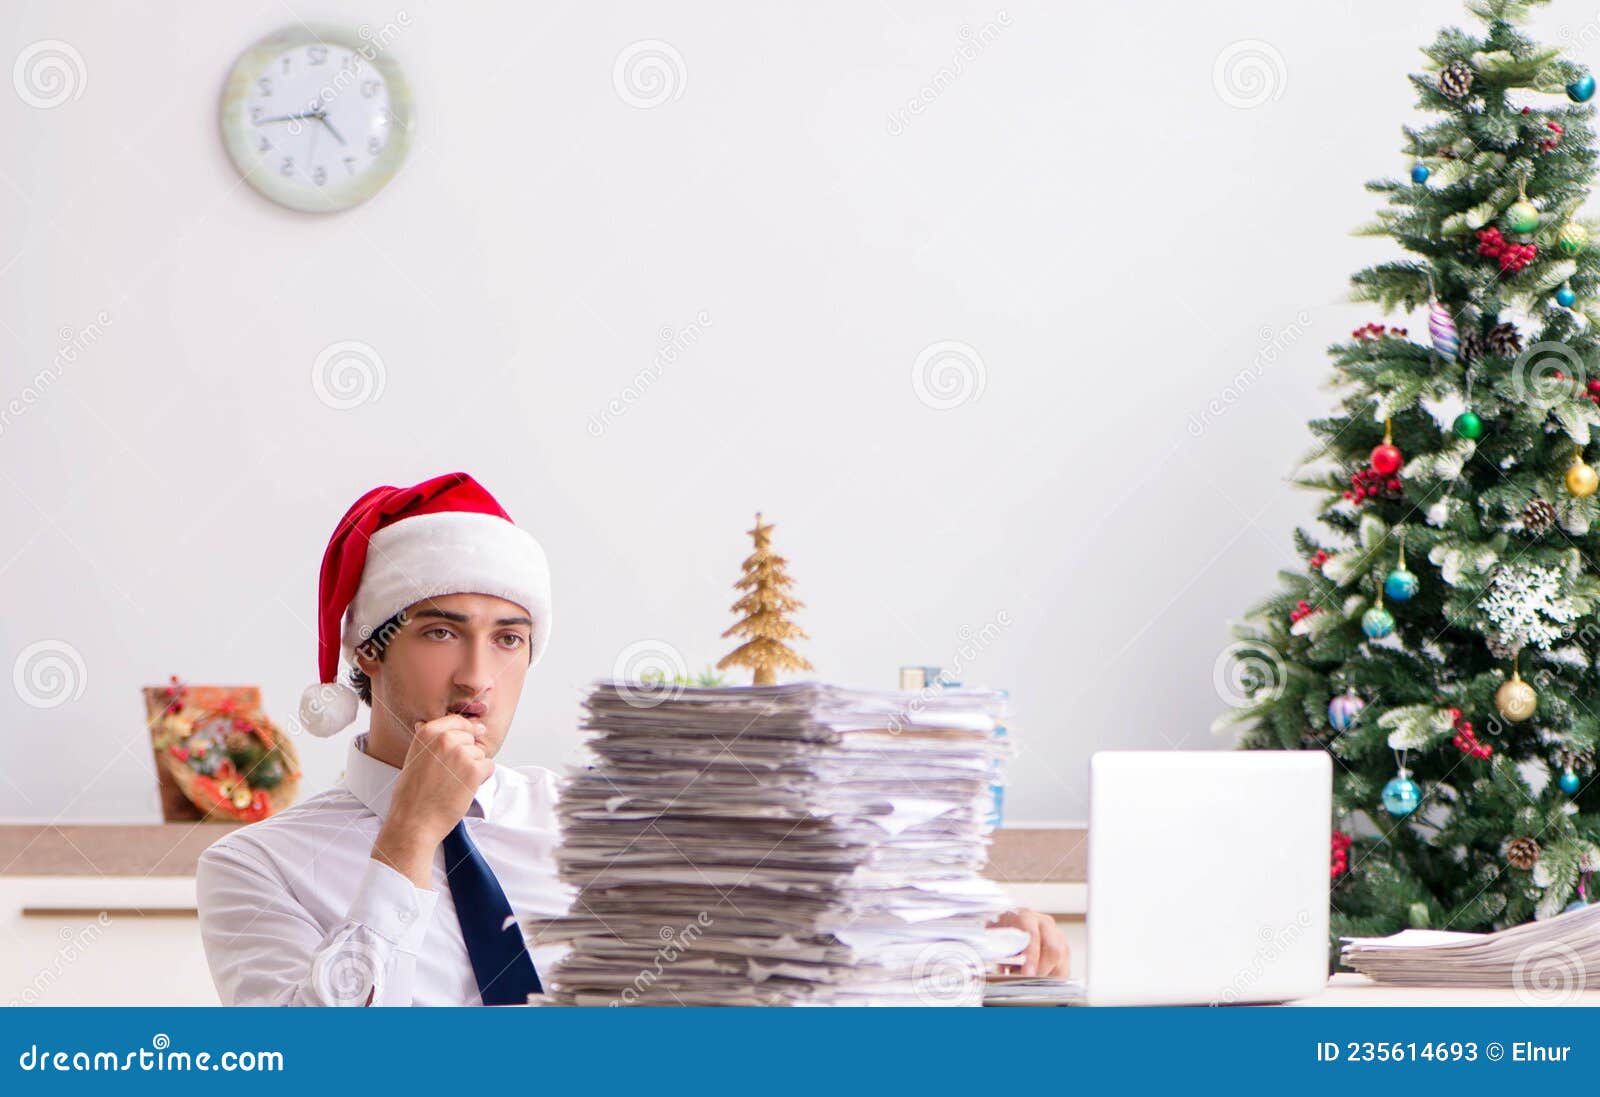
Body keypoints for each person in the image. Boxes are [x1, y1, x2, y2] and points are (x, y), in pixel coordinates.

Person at [195, 471, 1067, 1006]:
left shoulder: (592, 818)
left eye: (507, 637)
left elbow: (777, 950)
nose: (476, 677)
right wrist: (408, 838)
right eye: (438, 631)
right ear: (367, 651)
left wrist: (965, 947)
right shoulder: (254, 867)